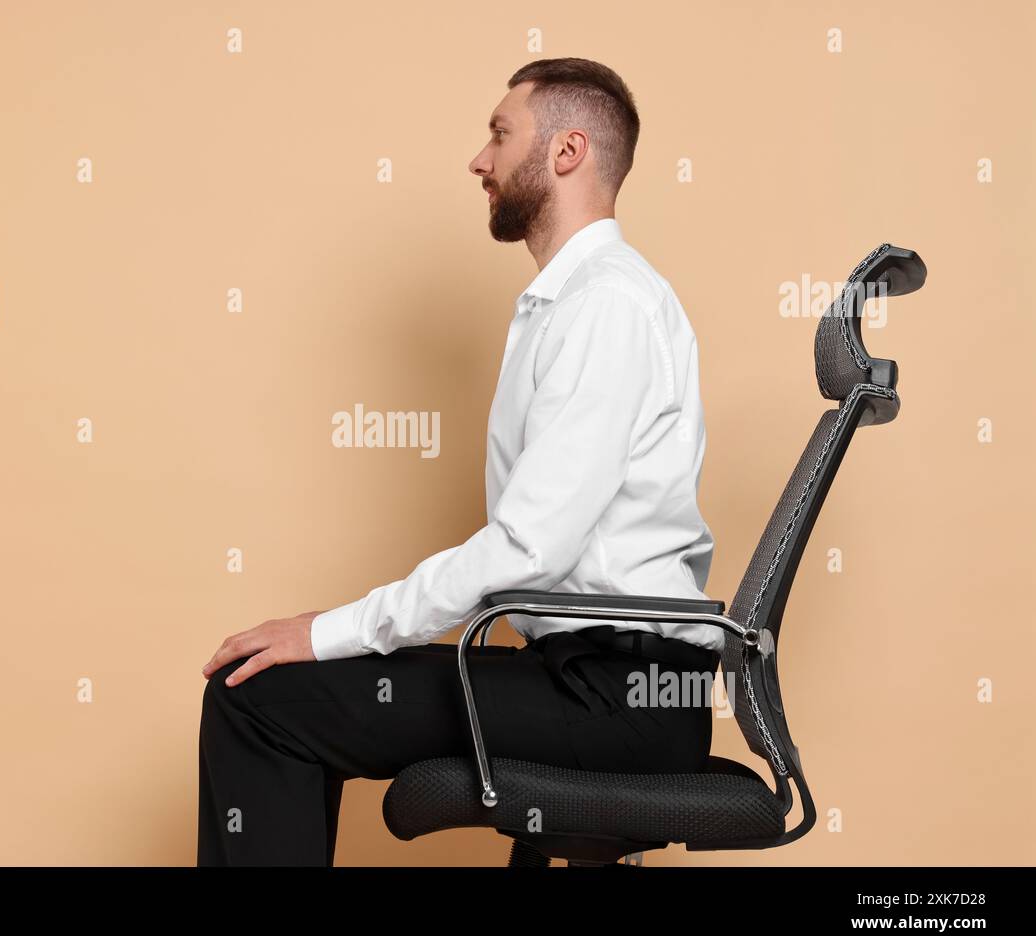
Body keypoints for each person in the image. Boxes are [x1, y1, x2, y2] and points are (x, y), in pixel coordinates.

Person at [198, 57, 720, 866]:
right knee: (267, 687)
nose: (480, 160)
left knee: (260, 698)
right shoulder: (578, 302)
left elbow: (526, 548)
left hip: (625, 700)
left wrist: (332, 631)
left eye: (501, 134)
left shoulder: (605, 305)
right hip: (594, 682)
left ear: (568, 151)